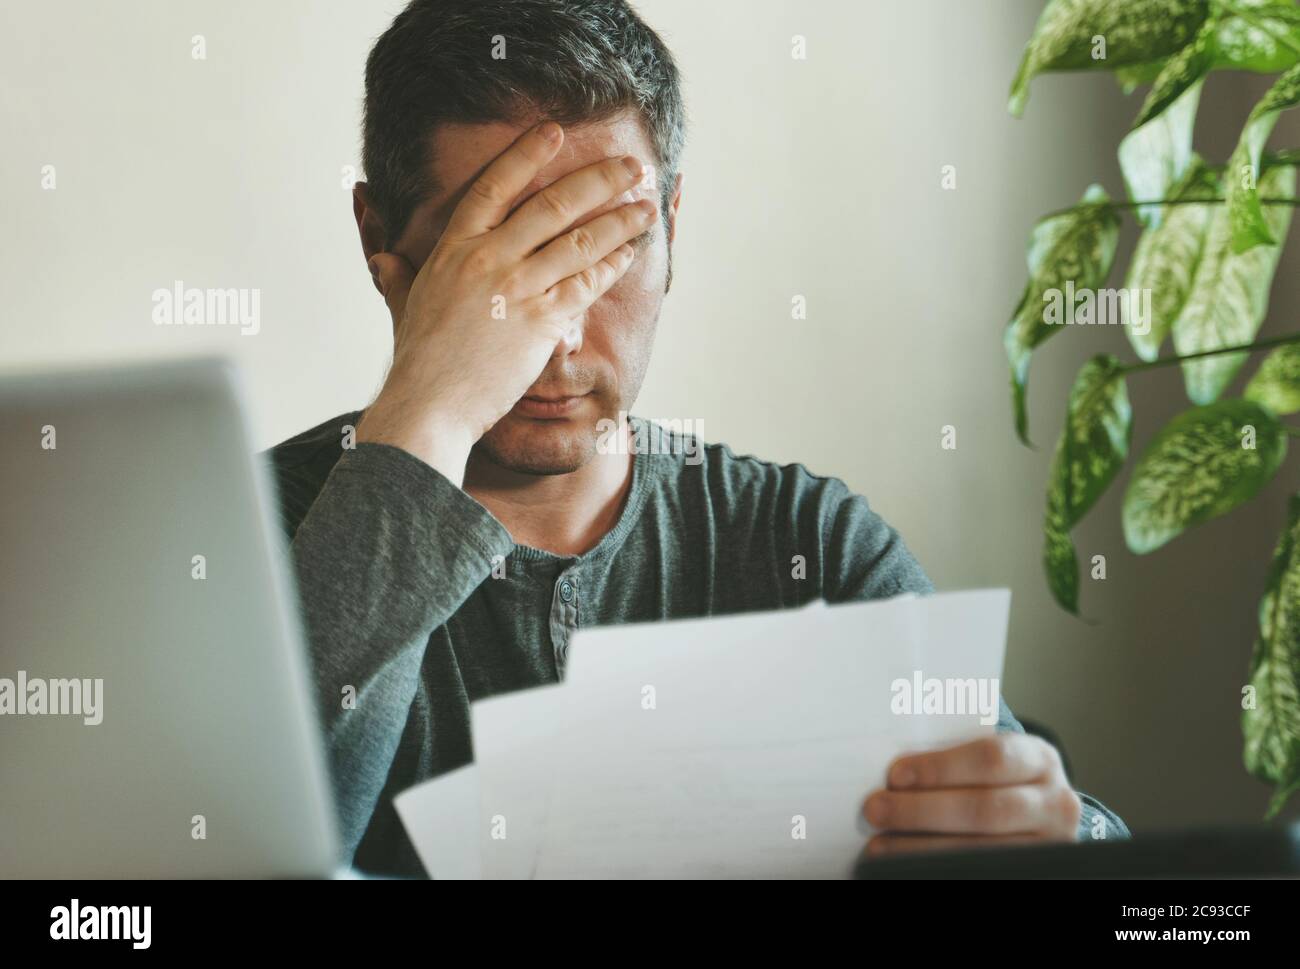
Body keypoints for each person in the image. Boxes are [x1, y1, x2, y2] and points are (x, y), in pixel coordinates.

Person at [268, 0, 1127, 877]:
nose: (559, 337)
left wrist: (1074, 838)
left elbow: (1129, 892)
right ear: (380, 238)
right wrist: (431, 414)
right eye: (498, 259)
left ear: (671, 227)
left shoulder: (807, 547)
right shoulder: (240, 538)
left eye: (607, 248)